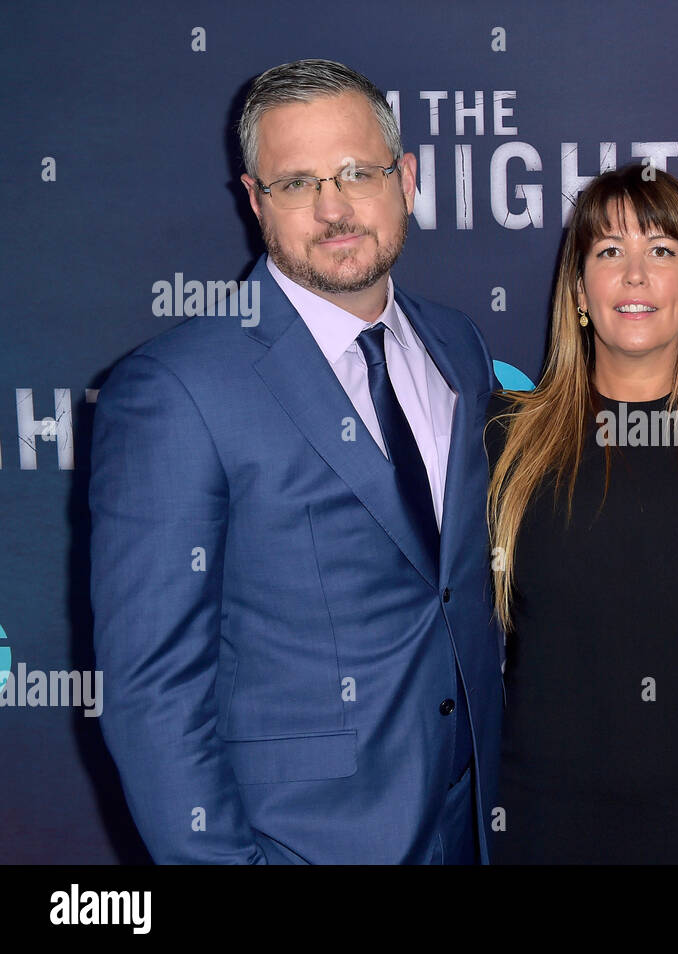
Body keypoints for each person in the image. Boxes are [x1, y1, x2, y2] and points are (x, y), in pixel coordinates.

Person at [90, 59, 501, 864]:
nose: (333, 208)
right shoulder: (175, 389)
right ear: (254, 201)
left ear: (406, 177)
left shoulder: (460, 346)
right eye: (296, 183)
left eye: (357, 172)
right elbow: (152, 693)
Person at [486, 165, 678, 863]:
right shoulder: (505, 439)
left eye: (661, 250)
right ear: (580, 290)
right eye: (609, 251)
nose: (635, 275)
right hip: (542, 826)